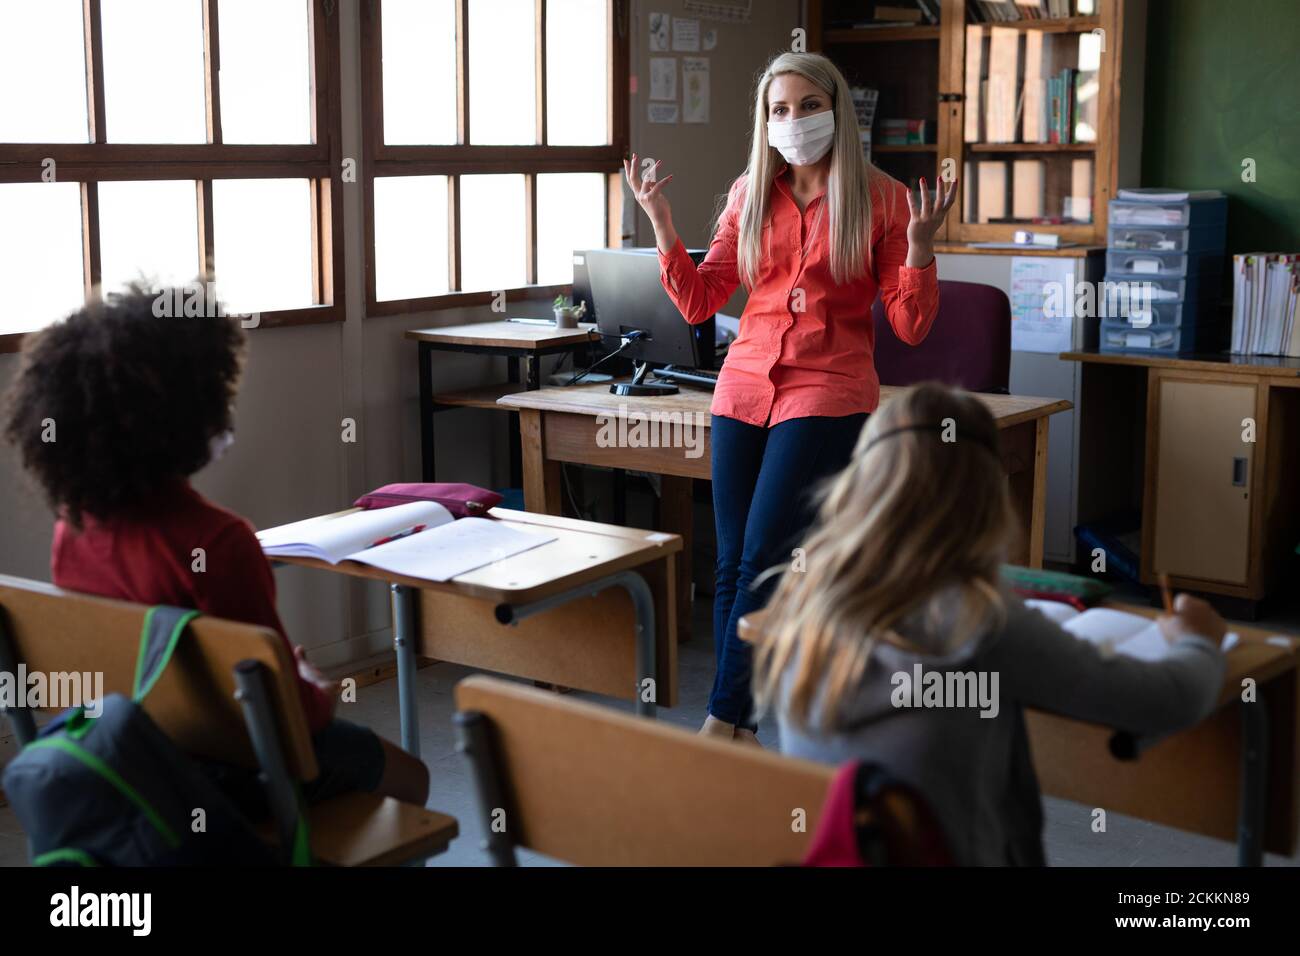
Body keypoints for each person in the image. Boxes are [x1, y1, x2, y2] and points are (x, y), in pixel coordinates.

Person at [623, 51, 956, 742]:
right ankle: (740, 721)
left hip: (828, 390)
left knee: (762, 555)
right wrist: (660, 225)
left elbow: (911, 325)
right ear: (764, 119)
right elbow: (700, 301)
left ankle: (723, 719)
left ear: (835, 108)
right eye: (779, 109)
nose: (793, 119)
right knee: (731, 557)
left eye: (808, 106)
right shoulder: (750, 192)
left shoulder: (885, 199)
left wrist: (920, 251)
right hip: (744, 387)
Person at [751, 382, 1227, 865]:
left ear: (864, 479)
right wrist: (1197, 641)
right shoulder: (979, 619)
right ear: (981, 498)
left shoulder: (805, 597)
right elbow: (1163, 700)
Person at [2, 284, 430, 809]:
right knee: (412, 777)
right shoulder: (218, 541)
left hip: (132, 756)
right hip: (232, 770)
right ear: (190, 416)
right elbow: (290, 718)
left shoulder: (73, 526)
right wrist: (309, 680)